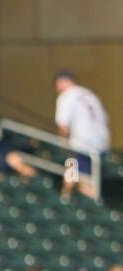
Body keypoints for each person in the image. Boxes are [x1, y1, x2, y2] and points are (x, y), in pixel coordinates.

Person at [54, 70, 110, 199]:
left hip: (82, 144)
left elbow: (63, 126)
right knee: (73, 170)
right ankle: (66, 197)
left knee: (83, 180)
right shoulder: (90, 94)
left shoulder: (67, 96)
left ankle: (93, 207)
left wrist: (63, 144)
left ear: (61, 82)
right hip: (100, 145)